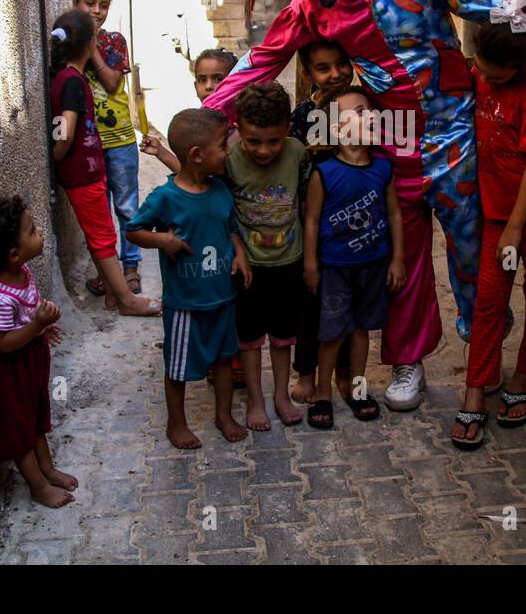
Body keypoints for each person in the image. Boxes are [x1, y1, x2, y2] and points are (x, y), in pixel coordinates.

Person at [205, 0, 526, 413]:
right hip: (394, 140)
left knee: (471, 253)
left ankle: (485, 347)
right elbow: (262, 59)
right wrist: (209, 116)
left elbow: (487, 1)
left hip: (457, 135)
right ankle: (410, 361)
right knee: (402, 261)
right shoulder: (310, 7)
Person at [451, 22, 526, 450]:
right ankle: (476, 388)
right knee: (488, 302)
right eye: (485, 71)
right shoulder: (478, 72)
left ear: (521, 65)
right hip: (496, 214)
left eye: (500, 77)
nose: (490, 81)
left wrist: (515, 227)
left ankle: (523, 377)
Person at [125, 108, 252, 449]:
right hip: (185, 303)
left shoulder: (221, 191)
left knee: (224, 359)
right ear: (198, 155)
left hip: (222, 296)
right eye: (223, 146)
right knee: (178, 366)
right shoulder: (165, 198)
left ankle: (223, 415)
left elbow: (231, 227)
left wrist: (239, 252)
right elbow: (133, 230)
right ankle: (176, 423)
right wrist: (163, 240)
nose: (229, 153)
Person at [0, 194, 77, 508]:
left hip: (30, 358)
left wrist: (40, 327)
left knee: (37, 417)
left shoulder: (21, 273)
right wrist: (36, 326)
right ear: (14, 254)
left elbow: (25, 320)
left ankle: (48, 468)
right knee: (19, 430)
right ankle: (38, 486)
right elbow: (2, 342)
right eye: (32, 231)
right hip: (9, 367)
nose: (39, 231)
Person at [303, 86, 406, 429]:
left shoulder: (383, 168)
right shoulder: (324, 173)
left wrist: (397, 259)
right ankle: (322, 394)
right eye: (356, 113)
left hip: (373, 266)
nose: (368, 117)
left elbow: (393, 214)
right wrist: (310, 264)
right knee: (332, 333)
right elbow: (313, 220)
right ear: (334, 128)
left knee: (362, 330)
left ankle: (359, 389)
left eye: (369, 111)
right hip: (335, 268)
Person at [49, 10, 159, 316]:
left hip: (81, 173)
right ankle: (127, 300)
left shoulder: (64, 77)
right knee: (103, 238)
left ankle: (112, 294)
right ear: (89, 45)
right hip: (84, 175)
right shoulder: (72, 81)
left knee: (100, 235)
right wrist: (58, 154)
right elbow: (66, 127)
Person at [216, 82, 313, 430]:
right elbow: (222, 211)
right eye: (253, 140)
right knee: (250, 338)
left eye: (273, 140)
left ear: (287, 130)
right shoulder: (228, 161)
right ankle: (256, 400)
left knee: (284, 336)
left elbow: (306, 204)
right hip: (248, 267)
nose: (263, 150)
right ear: (238, 130)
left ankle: (281, 395)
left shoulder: (298, 153)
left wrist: (310, 259)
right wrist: (236, 250)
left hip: (289, 261)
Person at [287, 39, 354, 404]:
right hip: (311, 226)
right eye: (323, 68)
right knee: (309, 303)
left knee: (346, 303)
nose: (335, 74)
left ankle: (344, 371)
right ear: (308, 74)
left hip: (352, 226)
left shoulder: (364, 109)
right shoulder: (302, 117)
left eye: (341, 63)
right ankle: (306, 372)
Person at [77, 0, 146, 299]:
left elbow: (114, 84)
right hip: (87, 145)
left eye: (103, 5)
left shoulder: (114, 41)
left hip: (119, 141)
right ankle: (110, 274)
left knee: (127, 206)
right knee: (99, 212)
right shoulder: (66, 41)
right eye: (90, 3)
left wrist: (92, 51)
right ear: (77, 4)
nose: (97, 10)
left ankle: (131, 267)